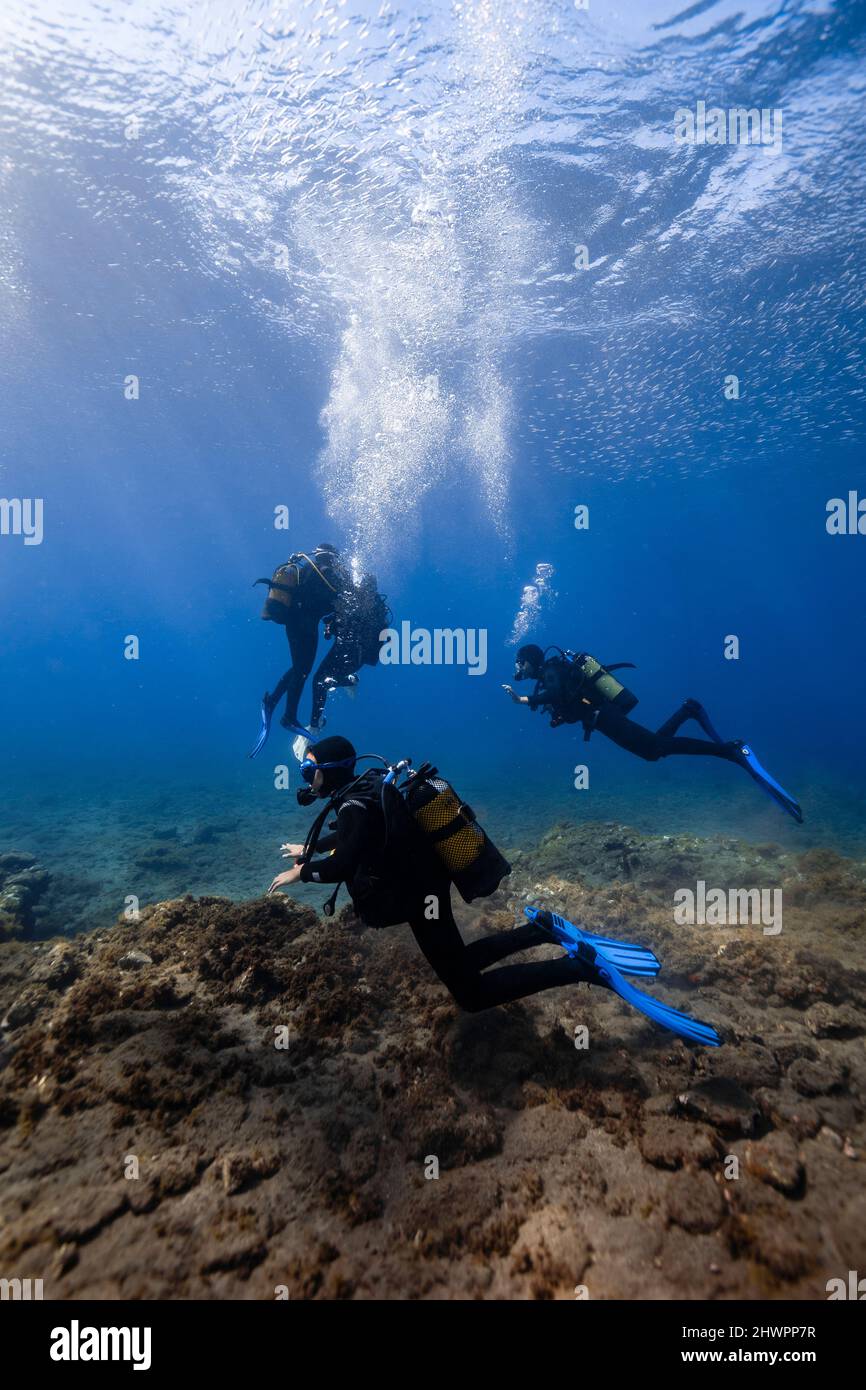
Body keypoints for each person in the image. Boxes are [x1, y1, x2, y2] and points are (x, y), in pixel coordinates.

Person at [267, 736, 721, 1043]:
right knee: (460, 964)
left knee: (471, 994)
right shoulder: (365, 789)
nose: (308, 782)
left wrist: (302, 873)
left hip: (415, 894)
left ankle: (583, 969)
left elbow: (346, 859)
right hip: (424, 887)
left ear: (328, 770)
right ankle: (539, 930)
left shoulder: (353, 804)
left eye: (309, 773)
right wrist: (311, 848)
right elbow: (359, 835)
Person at [503, 643, 802, 821]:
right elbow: (563, 702)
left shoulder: (551, 671)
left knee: (655, 749)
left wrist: (523, 699)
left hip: (604, 717)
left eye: (520, 662)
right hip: (603, 717)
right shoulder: (551, 673)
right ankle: (689, 711)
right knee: (654, 749)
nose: (520, 668)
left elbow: (555, 695)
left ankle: (731, 750)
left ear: (530, 661)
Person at [249, 544, 349, 756]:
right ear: (332, 558)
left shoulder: (307, 570)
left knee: (299, 668)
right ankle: (289, 716)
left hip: (295, 623)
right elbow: (334, 599)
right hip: (305, 626)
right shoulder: (327, 572)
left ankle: (272, 701)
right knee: (303, 670)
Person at [308, 574, 389, 730]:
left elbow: (342, 626)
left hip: (347, 652)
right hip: (357, 657)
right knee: (324, 680)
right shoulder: (377, 608)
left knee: (320, 681)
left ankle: (314, 724)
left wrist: (331, 627)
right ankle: (349, 680)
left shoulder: (355, 601)